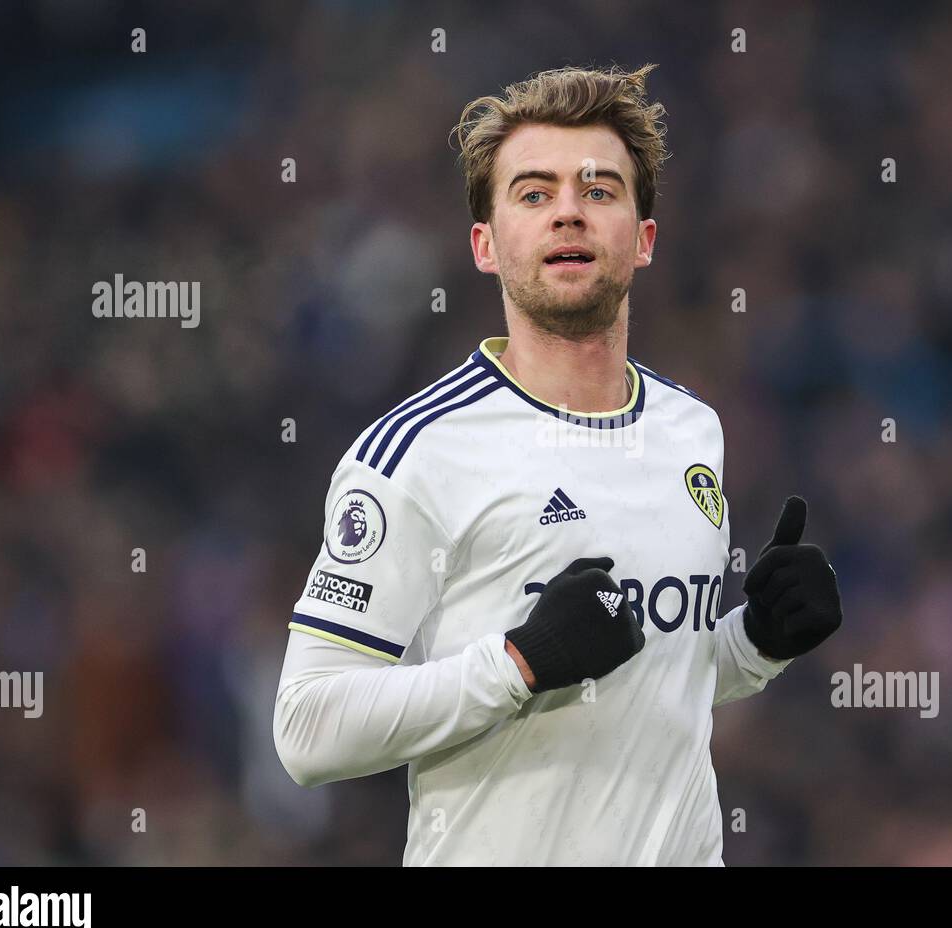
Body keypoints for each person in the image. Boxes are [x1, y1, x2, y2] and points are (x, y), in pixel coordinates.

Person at [273, 63, 842, 865]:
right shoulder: (415, 455)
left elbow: (649, 680)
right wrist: (517, 663)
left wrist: (756, 642)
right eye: (534, 194)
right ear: (486, 244)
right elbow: (307, 729)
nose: (569, 211)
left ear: (643, 238)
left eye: (600, 190)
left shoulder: (692, 431)